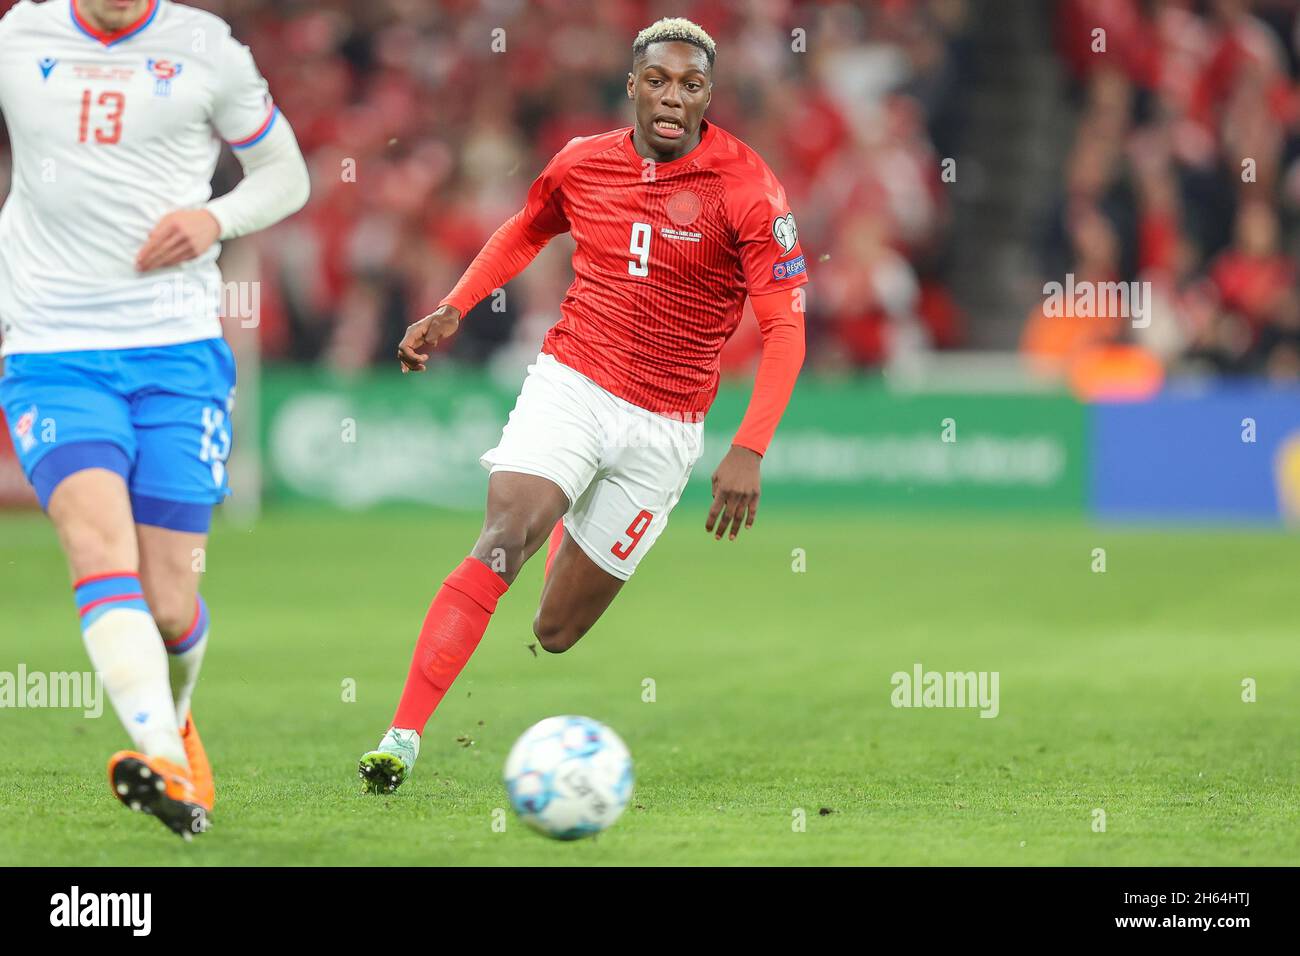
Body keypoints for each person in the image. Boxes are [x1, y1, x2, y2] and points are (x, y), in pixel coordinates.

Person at [359, 17, 807, 794]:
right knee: (504, 535)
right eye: (658, 80)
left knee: (555, 631)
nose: (672, 97)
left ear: (709, 96)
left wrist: (750, 447)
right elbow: (525, 230)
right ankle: (401, 736)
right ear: (632, 84)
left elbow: (786, 330)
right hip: (573, 381)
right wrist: (454, 306)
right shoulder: (582, 162)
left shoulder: (747, 189)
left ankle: (572, 507)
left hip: (666, 426)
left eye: (691, 85)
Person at [0, 0, 310, 838]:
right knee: (98, 546)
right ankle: (164, 764)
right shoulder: (18, 35)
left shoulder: (205, 48)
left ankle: (173, 734)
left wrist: (217, 216)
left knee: (170, 605)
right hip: (52, 352)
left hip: (176, 353)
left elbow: (288, 174)